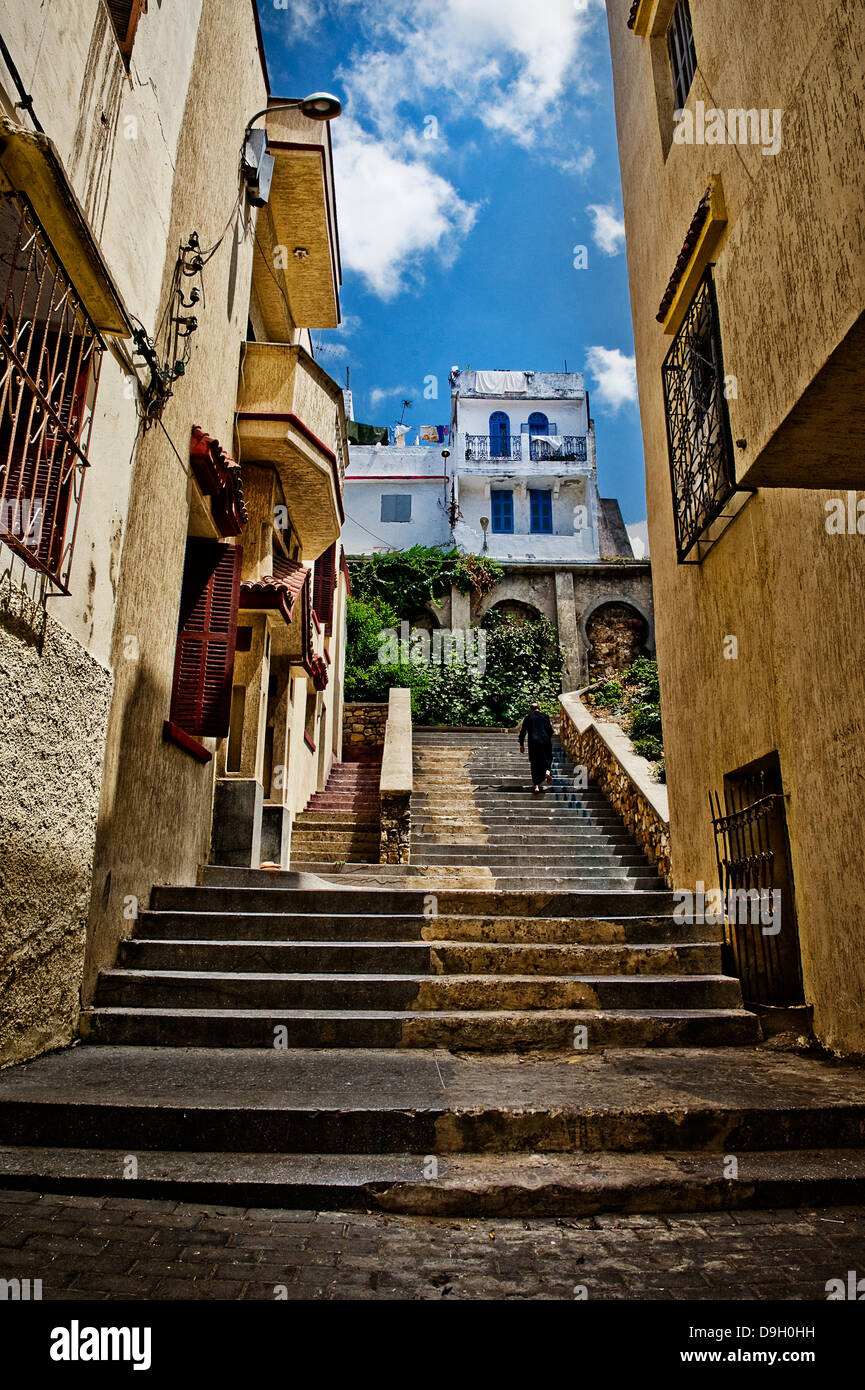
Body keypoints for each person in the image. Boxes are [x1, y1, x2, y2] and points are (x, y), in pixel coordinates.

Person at [519, 701, 554, 794]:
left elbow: (523, 732)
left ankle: (537, 786)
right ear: (539, 708)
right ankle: (547, 771)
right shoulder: (545, 716)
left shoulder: (528, 718)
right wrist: (547, 739)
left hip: (533, 742)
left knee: (534, 763)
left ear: (531, 710)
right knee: (548, 758)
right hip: (545, 740)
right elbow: (550, 730)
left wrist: (521, 744)